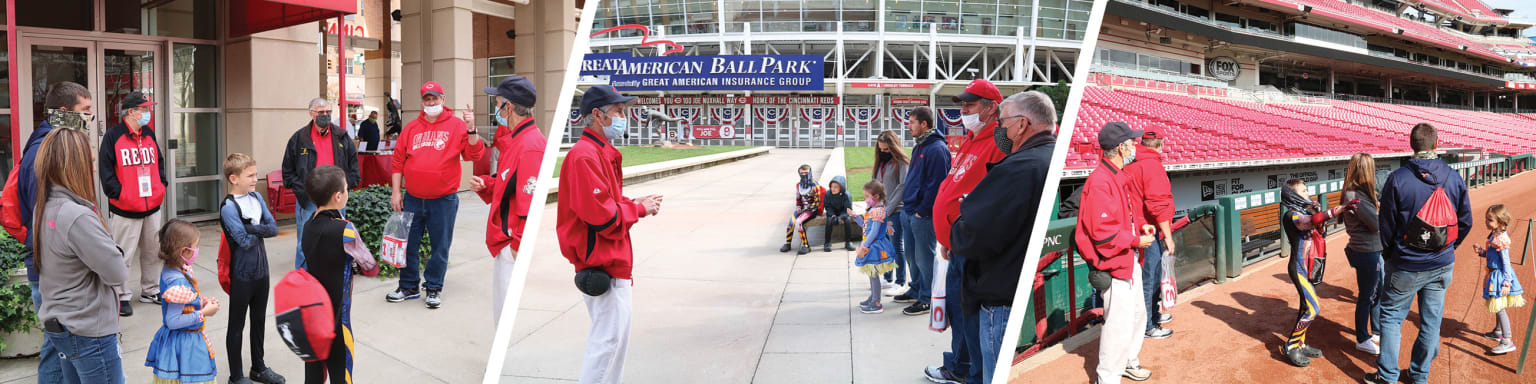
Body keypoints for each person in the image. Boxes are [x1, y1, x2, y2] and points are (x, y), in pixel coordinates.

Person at [948, 91, 1058, 383]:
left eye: (1003, 122)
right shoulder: (1045, 156)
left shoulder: (1019, 167)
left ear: (1022, 125)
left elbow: (972, 236)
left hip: (1001, 300)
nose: (1000, 129)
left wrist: (961, 218)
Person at [558, 85, 663, 384]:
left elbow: (607, 202)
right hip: (602, 262)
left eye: (623, 111)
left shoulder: (597, 152)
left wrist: (634, 204)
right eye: (618, 111)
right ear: (597, 115)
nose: (623, 117)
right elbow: (601, 218)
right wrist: (639, 210)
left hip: (608, 260)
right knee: (607, 345)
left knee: (612, 346)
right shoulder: (585, 156)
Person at [1365, 123, 1473, 384]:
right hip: (1441, 263)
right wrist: (1447, 249)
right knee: (1431, 322)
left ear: (1412, 145)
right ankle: (1419, 375)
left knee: (1391, 318)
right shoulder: (1453, 176)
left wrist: (1392, 255)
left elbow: (1386, 226)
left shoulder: (1398, 178)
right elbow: (1465, 221)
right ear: (1436, 144)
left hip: (1405, 264)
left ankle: (1388, 377)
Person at [926, 78, 1008, 384]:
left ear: (992, 108)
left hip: (973, 246)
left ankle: (972, 374)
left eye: (970, 104)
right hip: (956, 244)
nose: (963, 110)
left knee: (970, 317)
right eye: (962, 104)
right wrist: (947, 237)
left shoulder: (1001, 138)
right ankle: (960, 366)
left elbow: (999, 193)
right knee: (958, 314)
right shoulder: (973, 137)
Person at [35, 128, 130, 384]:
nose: (94, 168)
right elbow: (117, 273)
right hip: (89, 330)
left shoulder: (45, 206)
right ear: (75, 166)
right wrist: (114, 250)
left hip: (64, 324)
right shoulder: (75, 215)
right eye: (90, 161)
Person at [385, 81, 485, 309]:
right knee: (408, 244)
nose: (431, 102)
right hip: (412, 197)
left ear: (443, 99)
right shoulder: (411, 128)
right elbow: (398, 160)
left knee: (440, 246)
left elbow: (473, 155)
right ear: (422, 101)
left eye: (435, 98)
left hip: (443, 199)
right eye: (427, 99)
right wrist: (396, 192)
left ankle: (433, 287)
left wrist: (471, 130)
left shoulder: (457, 125)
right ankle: (408, 286)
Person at [18, 81, 93, 381]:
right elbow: (48, 221)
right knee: (56, 349)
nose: (90, 117)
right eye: (85, 110)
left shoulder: (49, 146)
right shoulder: (44, 154)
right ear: (63, 113)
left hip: (53, 270)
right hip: (52, 272)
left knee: (58, 347)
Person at [1077, 121, 1157, 384]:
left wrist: (1139, 226)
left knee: (1137, 314)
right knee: (1118, 324)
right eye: (1132, 143)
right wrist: (1135, 240)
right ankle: (1107, 377)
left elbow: (1119, 218)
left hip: (1127, 257)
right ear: (1121, 148)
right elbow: (1102, 231)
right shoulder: (1100, 180)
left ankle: (1128, 362)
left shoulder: (1116, 175)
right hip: (1113, 261)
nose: (1135, 145)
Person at [470, 76, 546, 324]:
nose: (496, 109)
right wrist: (487, 185)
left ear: (509, 107)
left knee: (506, 317)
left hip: (512, 243)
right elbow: (510, 186)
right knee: (501, 313)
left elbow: (530, 201)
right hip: (508, 241)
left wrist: (517, 247)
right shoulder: (516, 141)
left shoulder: (530, 145)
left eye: (498, 103)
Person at [218, 153, 287, 384]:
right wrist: (258, 229)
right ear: (233, 178)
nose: (255, 179)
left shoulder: (257, 197)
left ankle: (258, 368)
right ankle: (235, 376)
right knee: (236, 325)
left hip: (262, 272)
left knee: (259, 320)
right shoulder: (228, 207)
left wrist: (251, 227)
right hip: (242, 275)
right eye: (250, 175)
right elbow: (243, 241)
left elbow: (274, 229)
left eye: (255, 174)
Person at [98, 91, 168, 317]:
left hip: (152, 206)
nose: (148, 113)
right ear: (131, 112)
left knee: (153, 251)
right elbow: (106, 169)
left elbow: (159, 161)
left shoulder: (148, 133)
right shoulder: (113, 136)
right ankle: (121, 295)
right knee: (122, 254)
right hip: (125, 208)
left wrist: (161, 186)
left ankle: (150, 290)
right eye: (145, 109)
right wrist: (117, 194)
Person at [1278, 178, 1354, 367]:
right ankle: (1291, 346)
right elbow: (1309, 222)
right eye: (1303, 192)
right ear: (1293, 196)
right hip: (1298, 268)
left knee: (1305, 307)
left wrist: (1319, 213)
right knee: (1313, 310)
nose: (1307, 194)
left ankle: (1301, 343)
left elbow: (1319, 229)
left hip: (1309, 267)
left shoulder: (1304, 210)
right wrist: (1337, 209)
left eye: (1306, 190)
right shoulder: (1292, 215)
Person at [282, 97, 361, 269]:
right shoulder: (299, 139)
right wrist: (301, 189)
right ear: (312, 114)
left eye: (328, 112)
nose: (325, 115)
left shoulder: (341, 136)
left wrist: (349, 183)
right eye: (321, 112)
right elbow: (288, 171)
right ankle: (303, 277)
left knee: (337, 240)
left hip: (336, 198)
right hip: (309, 199)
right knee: (304, 242)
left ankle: (331, 274)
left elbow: (353, 164)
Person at [301, 165, 360, 384]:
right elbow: (369, 265)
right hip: (337, 317)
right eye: (346, 189)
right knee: (341, 375)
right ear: (338, 196)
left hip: (313, 314)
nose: (348, 191)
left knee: (314, 373)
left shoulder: (308, 226)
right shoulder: (345, 229)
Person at [144, 219, 220, 384]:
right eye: (195, 246)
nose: (196, 250)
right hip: (185, 345)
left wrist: (198, 303)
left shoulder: (173, 269)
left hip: (178, 341)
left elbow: (181, 305)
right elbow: (173, 321)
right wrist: (203, 313)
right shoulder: (177, 281)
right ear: (184, 251)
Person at [1121, 125, 1176, 339]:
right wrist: (1169, 237)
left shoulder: (1134, 161)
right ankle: (1148, 325)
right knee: (1150, 278)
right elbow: (1157, 205)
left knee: (1150, 276)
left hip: (1138, 228)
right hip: (1147, 230)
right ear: (1161, 144)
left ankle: (1153, 313)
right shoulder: (1151, 165)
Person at [898, 106, 950, 317]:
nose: (909, 126)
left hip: (922, 214)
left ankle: (927, 298)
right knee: (912, 256)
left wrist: (922, 210)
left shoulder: (936, 149)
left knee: (924, 258)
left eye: (912, 122)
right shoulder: (920, 146)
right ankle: (916, 288)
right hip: (909, 211)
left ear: (924, 124)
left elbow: (937, 184)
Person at [1340, 153, 1383, 355]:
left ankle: (1375, 330)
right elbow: (1375, 224)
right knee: (1366, 295)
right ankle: (1362, 338)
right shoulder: (1354, 194)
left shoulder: (1361, 193)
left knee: (1376, 292)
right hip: (1366, 250)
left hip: (1372, 249)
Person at [1475, 204, 1523, 355]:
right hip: (1494, 274)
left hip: (1500, 277)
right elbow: (1492, 257)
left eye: (1490, 220)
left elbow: (1506, 262)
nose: (1486, 222)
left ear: (1501, 222)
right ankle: (1498, 331)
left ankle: (1507, 340)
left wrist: (1507, 282)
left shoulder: (1501, 238)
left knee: (1499, 307)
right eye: (1486, 219)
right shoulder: (1494, 235)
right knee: (1497, 304)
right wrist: (1482, 252)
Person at [874, 130, 909, 295]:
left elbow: (902, 187)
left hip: (895, 210)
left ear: (893, 147)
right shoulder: (880, 162)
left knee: (896, 246)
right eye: (881, 149)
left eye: (886, 149)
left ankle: (901, 281)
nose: (883, 152)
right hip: (882, 210)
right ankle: (888, 278)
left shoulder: (901, 162)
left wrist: (887, 210)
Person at [855, 180, 899, 314]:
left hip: (874, 247)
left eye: (867, 196)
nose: (865, 199)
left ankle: (876, 302)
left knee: (873, 273)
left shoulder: (878, 211)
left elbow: (874, 232)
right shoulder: (874, 210)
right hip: (870, 245)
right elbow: (866, 227)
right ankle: (873, 297)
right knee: (870, 273)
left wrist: (864, 246)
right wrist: (856, 217)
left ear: (876, 196)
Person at [779, 165, 824, 255]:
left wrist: (806, 210)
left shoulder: (815, 186)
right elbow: (798, 199)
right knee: (791, 222)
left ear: (810, 172)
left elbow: (816, 202)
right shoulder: (798, 185)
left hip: (811, 210)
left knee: (799, 222)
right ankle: (788, 243)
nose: (804, 175)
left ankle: (806, 245)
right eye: (801, 173)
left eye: (806, 173)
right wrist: (799, 209)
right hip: (802, 209)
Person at [822, 175, 855, 252]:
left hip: (843, 212)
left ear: (841, 188)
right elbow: (827, 206)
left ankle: (848, 242)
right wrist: (832, 214)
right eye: (832, 187)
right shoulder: (828, 194)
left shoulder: (846, 195)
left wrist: (840, 217)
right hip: (832, 212)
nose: (833, 189)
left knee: (847, 221)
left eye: (836, 187)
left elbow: (848, 209)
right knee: (829, 221)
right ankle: (827, 242)